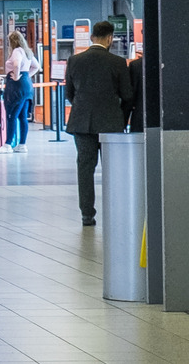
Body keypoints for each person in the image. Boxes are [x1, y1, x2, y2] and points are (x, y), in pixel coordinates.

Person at [64, 20, 132, 226]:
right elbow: (128, 95)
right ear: (110, 38)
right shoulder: (118, 63)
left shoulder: (74, 60)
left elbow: (69, 94)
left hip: (82, 123)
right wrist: (122, 118)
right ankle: (115, 209)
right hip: (111, 124)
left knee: (85, 168)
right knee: (112, 168)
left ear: (93, 36)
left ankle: (87, 214)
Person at [2, 31, 36, 152]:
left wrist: (17, 76)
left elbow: (16, 64)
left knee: (11, 115)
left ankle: (8, 144)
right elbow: (37, 66)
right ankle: (22, 144)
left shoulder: (17, 51)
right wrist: (26, 76)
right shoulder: (28, 52)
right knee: (22, 117)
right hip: (27, 86)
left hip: (16, 87)